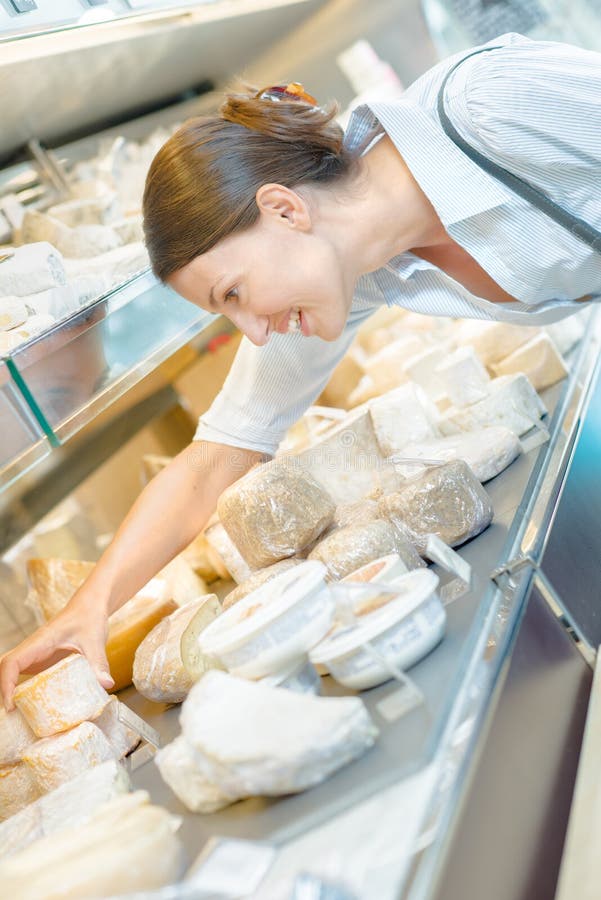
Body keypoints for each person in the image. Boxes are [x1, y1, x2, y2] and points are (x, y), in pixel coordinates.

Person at [2, 31, 600, 707]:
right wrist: (91, 607)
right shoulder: (357, 276)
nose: (252, 330)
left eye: (233, 295)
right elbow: (214, 459)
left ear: (284, 209)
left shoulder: (488, 106)